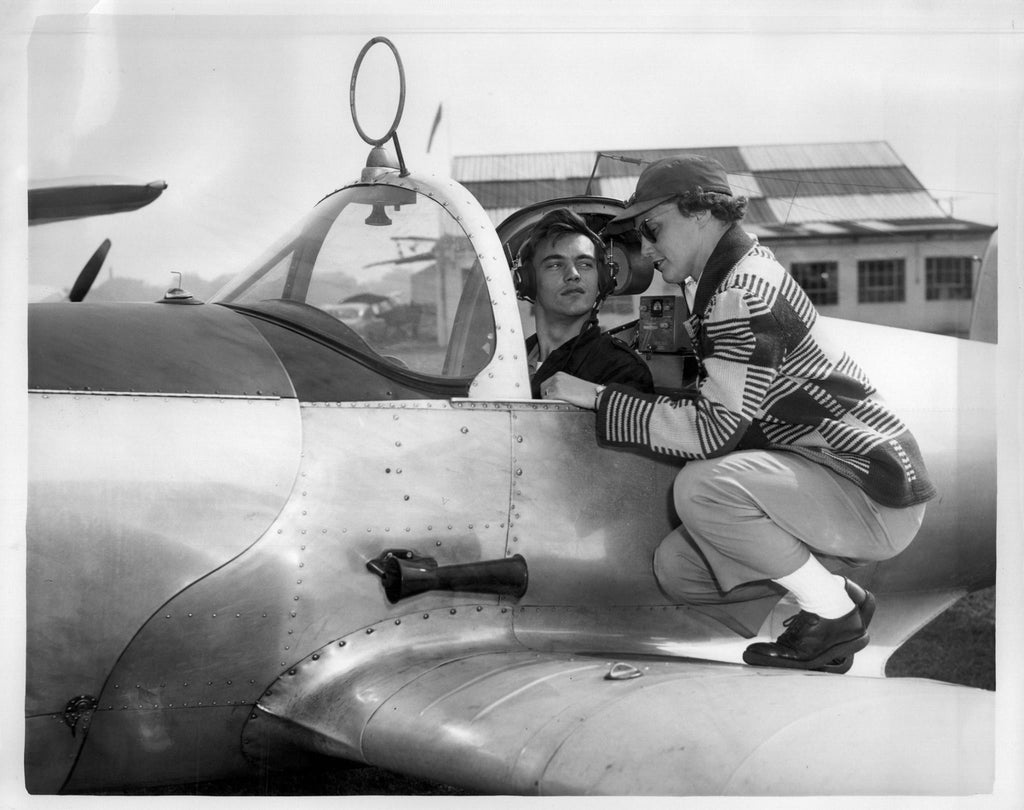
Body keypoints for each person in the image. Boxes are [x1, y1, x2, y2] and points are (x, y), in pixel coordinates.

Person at [540, 155, 935, 673]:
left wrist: (597, 398)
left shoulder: (740, 293)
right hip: (827, 478)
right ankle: (833, 595)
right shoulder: (732, 278)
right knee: (681, 568)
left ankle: (833, 617)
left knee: (701, 489)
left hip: (869, 487)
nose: (649, 250)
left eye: (654, 230)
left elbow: (714, 432)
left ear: (702, 213)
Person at [513, 208, 653, 398]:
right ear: (527, 281)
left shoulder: (622, 369)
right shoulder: (509, 363)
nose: (573, 275)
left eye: (585, 264)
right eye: (555, 265)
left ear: (602, 280)